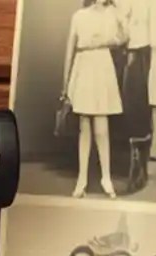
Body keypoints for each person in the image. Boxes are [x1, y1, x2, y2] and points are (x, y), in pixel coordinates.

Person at [63, 0, 126, 199]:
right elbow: (69, 49)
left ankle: (106, 178)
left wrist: (107, 39)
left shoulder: (112, 13)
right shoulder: (79, 16)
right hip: (84, 67)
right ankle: (82, 179)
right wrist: (65, 83)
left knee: (102, 128)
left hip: (102, 67)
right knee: (84, 127)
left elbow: (124, 37)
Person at [116, 0, 156, 188]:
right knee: (133, 106)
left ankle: (145, 161)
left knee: (152, 107)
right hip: (132, 50)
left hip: (149, 51)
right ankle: (137, 163)